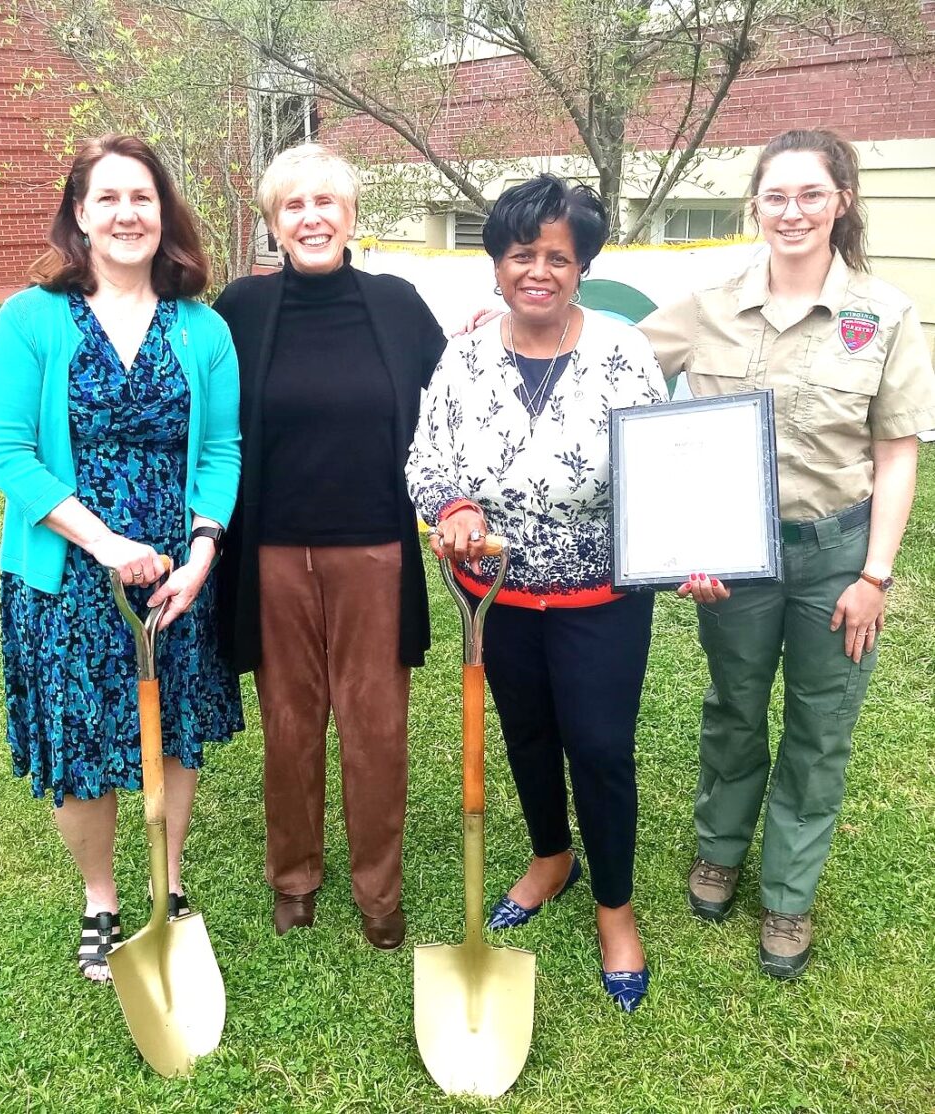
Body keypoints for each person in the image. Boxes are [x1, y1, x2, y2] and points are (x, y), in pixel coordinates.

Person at [641, 128, 935, 978]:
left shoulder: (882, 315)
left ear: (842, 200)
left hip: (836, 554)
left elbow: (896, 451)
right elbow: (615, 363)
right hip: (734, 559)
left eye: (811, 194)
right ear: (756, 206)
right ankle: (719, 852)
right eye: (776, 195)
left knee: (819, 727)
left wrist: (875, 576)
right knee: (733, 709)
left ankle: (788, 895)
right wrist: (511, 315)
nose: (793, 211)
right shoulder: (708, 306)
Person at [0, 134, 243, 981]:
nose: (129, 213)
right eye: (109, 198)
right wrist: (104, 542)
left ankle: (170, 885)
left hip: (175, 575)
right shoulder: (31, 319)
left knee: (174, 734)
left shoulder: (202, 328)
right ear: (80, 216)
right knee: (81, 741)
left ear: (165, 215)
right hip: (67, 575)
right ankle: (101, 899)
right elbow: (7, 450)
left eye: (145, 197)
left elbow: (222, 451)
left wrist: (201, 549)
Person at [407, 174, 667, 1011]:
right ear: (497, 263)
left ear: (583, 265)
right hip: (498, 598)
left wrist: (692, 546)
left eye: (559, 255)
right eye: (523, 254)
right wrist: (453, 505)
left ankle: (614, 908)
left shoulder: (622, 350)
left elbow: (667, 468)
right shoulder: (465, 355)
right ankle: (552, 855)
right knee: (525, 737)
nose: (540, 270)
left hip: (602, 601)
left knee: (598, 748)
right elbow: (428, 458)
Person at [213, 143, 446, 949]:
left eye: (326, 203)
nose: (311, 218)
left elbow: (453, 399)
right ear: (274, 222)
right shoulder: (239, 308)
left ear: (351, 214)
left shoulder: (397, 304)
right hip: (272, 556)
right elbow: (205, 418)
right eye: (293, 206)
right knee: (290, 722)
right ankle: (295, 879)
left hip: (376, 552)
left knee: (376, 727)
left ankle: (379, 892)